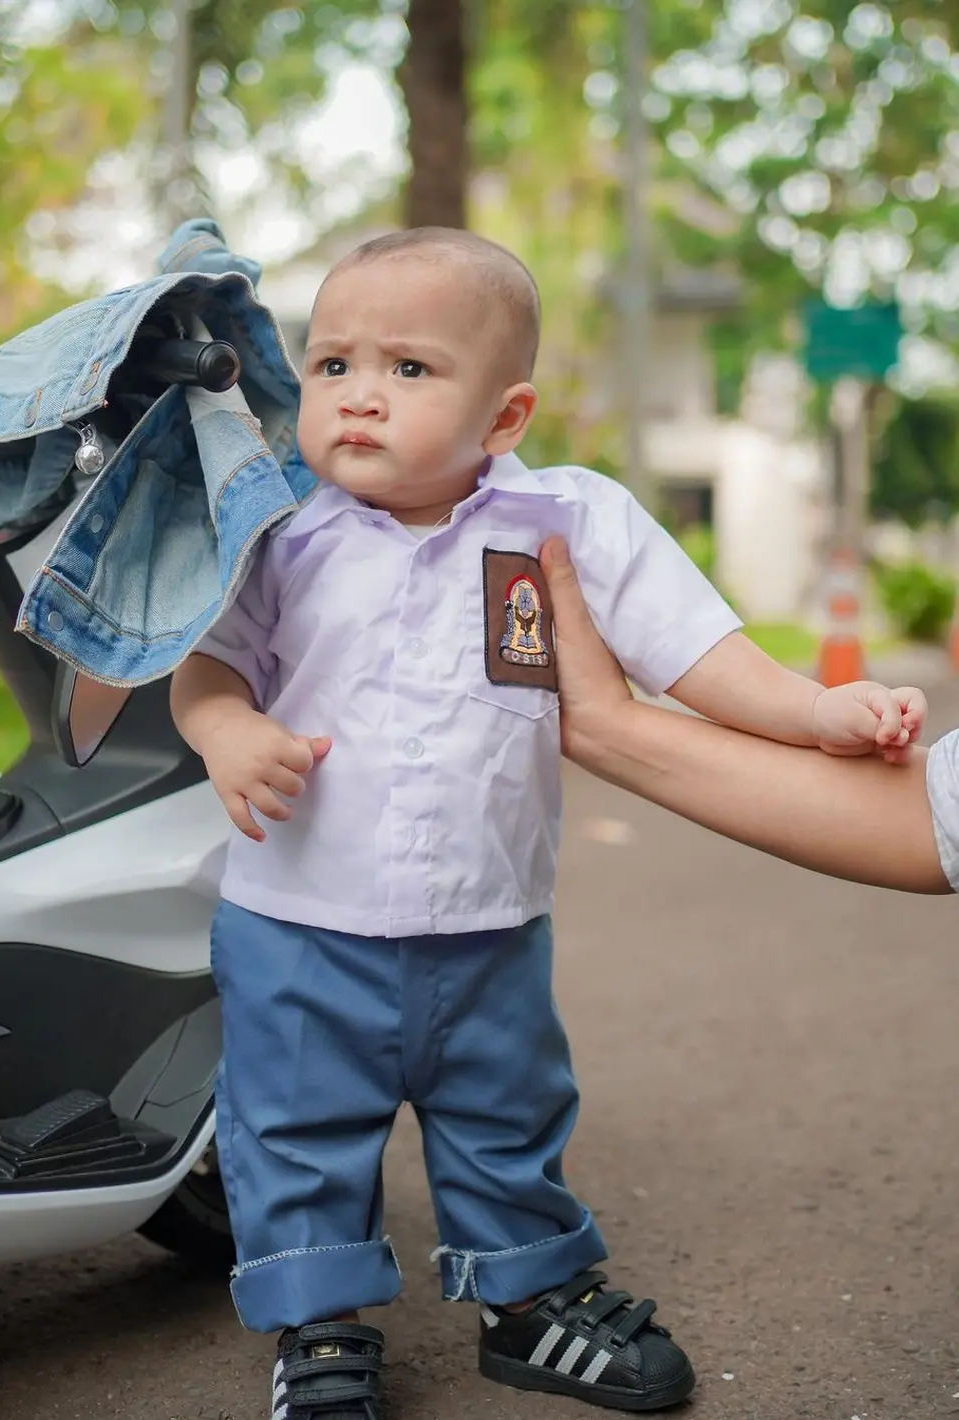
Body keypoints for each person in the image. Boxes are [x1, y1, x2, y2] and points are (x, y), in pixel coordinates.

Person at [169, 226, 928, 1420]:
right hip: (296, 922)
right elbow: (202, 670)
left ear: (506, 414)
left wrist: (813, 710)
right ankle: (316, 1328)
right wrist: (225, 731)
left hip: (486, 916)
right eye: (332, 366)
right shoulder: (278, 531)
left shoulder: (567, 522)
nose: (359, 396)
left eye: (408, 370)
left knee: (504, 1113)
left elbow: (697, 653)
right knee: (294, 1126)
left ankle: (526, 1303)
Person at [536, 536, 954, 897]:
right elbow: (933, 810)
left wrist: (812, 711)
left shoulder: (575, 502)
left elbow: (933, 813)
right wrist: (606, 725)